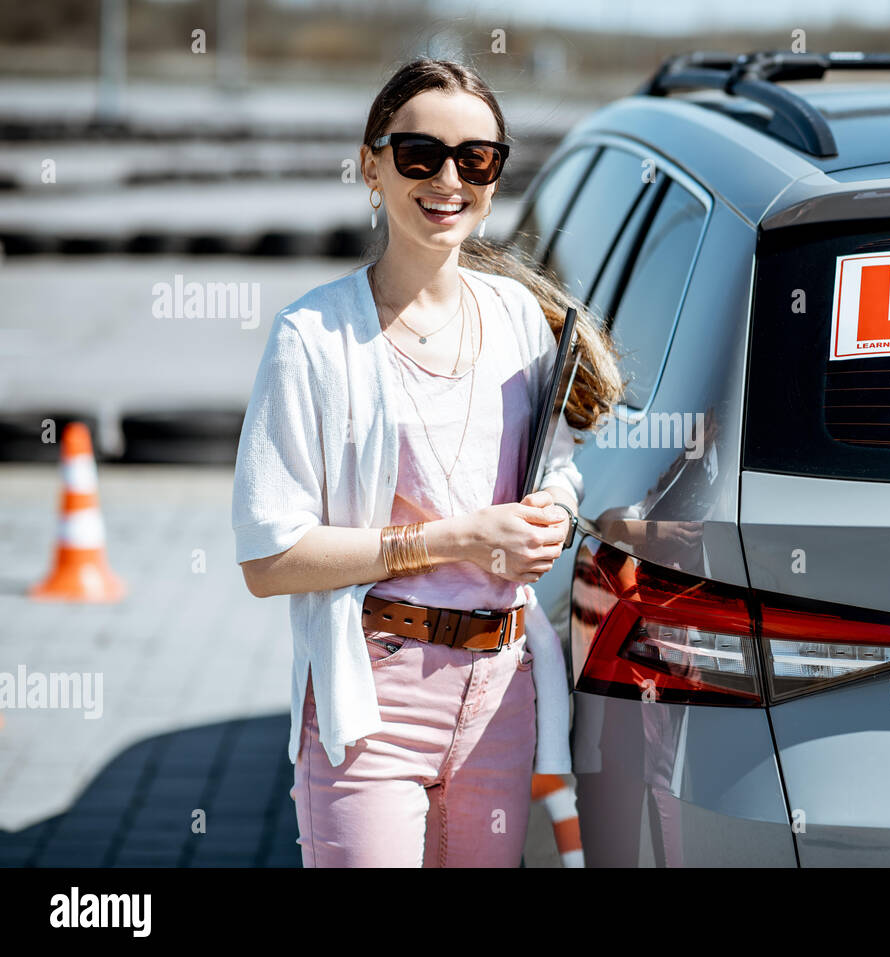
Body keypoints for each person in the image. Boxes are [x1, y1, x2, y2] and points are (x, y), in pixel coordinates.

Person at [231, 56, 623, 867]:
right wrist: (456, 539)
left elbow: (555, 467)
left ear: (495, 175)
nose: (448, 177)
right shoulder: (314, 338)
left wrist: (551, 511)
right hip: (370, 699)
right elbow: (268, 558)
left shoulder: (522, 317)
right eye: (419, 154)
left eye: (476, 158)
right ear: (372, 165)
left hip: (500, 697)